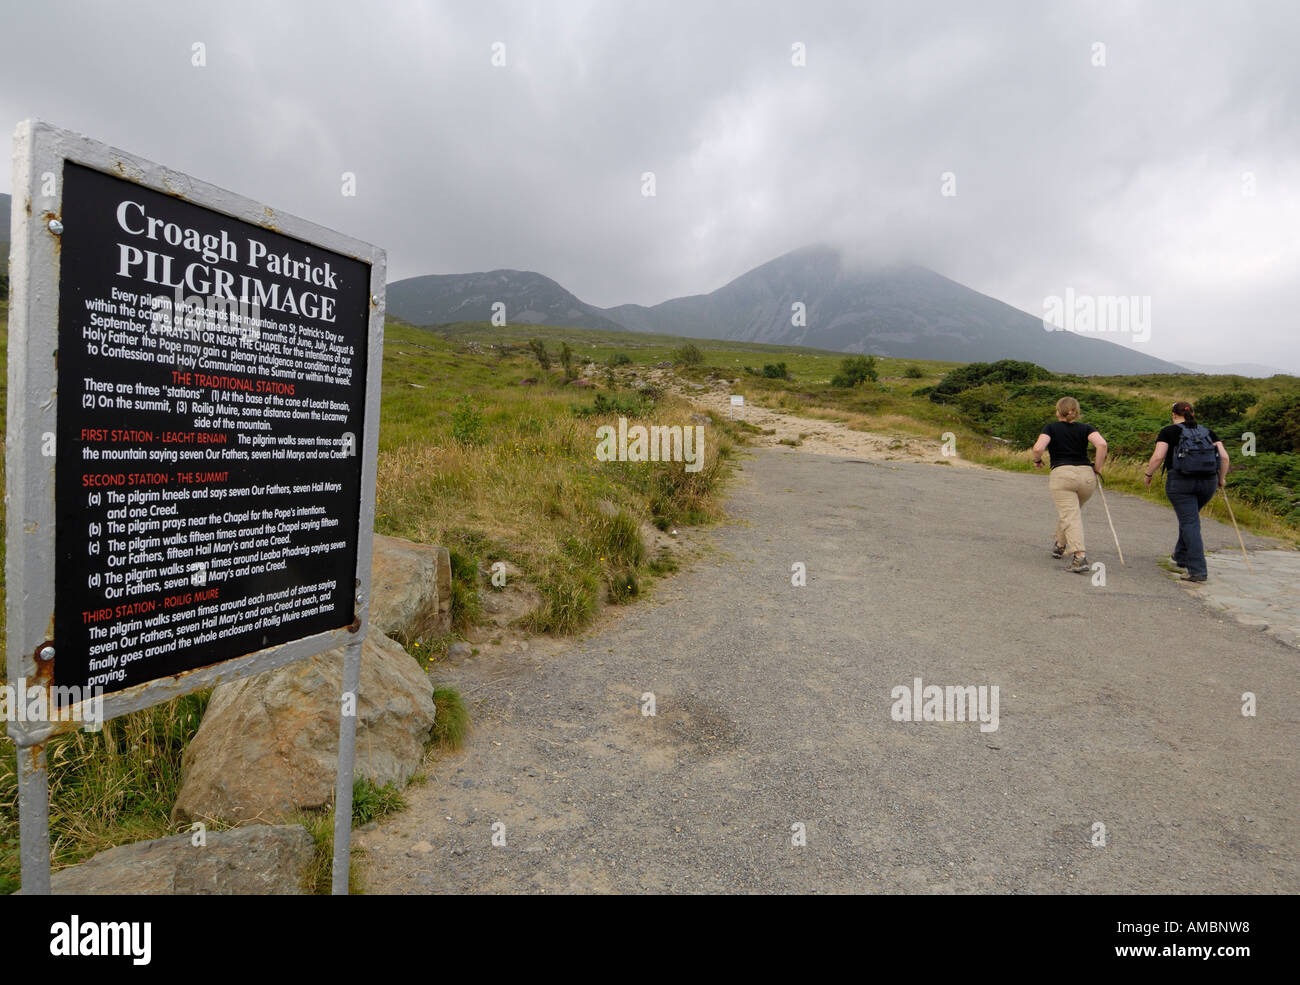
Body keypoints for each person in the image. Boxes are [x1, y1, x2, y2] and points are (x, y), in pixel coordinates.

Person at [1142, 400, 1230, 583]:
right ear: (1193, 414)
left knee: (1190, 521)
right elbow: (1224, 457)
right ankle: (1180, 557)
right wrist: (1221, 479)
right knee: (1190, 519)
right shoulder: (1207, 431)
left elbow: (1158, 456)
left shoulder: (1168, 431)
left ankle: (1197, 570)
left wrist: (1148, 474)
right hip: (1208, 482)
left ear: (1174, 414)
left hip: (1181, 482)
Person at [1032, 397, 1108, 574]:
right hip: (1086, 475)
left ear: (1058, 411)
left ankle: (1079, 557)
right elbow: (1102, 444)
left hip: (1063, 474)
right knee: (1071, 513)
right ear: (1076, 411)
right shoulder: (1087, 428)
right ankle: (1060, 545)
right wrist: (1097, 468)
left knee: (1070, 514)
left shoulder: (1051, 427)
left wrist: (1037, 460)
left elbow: (1038, 448)